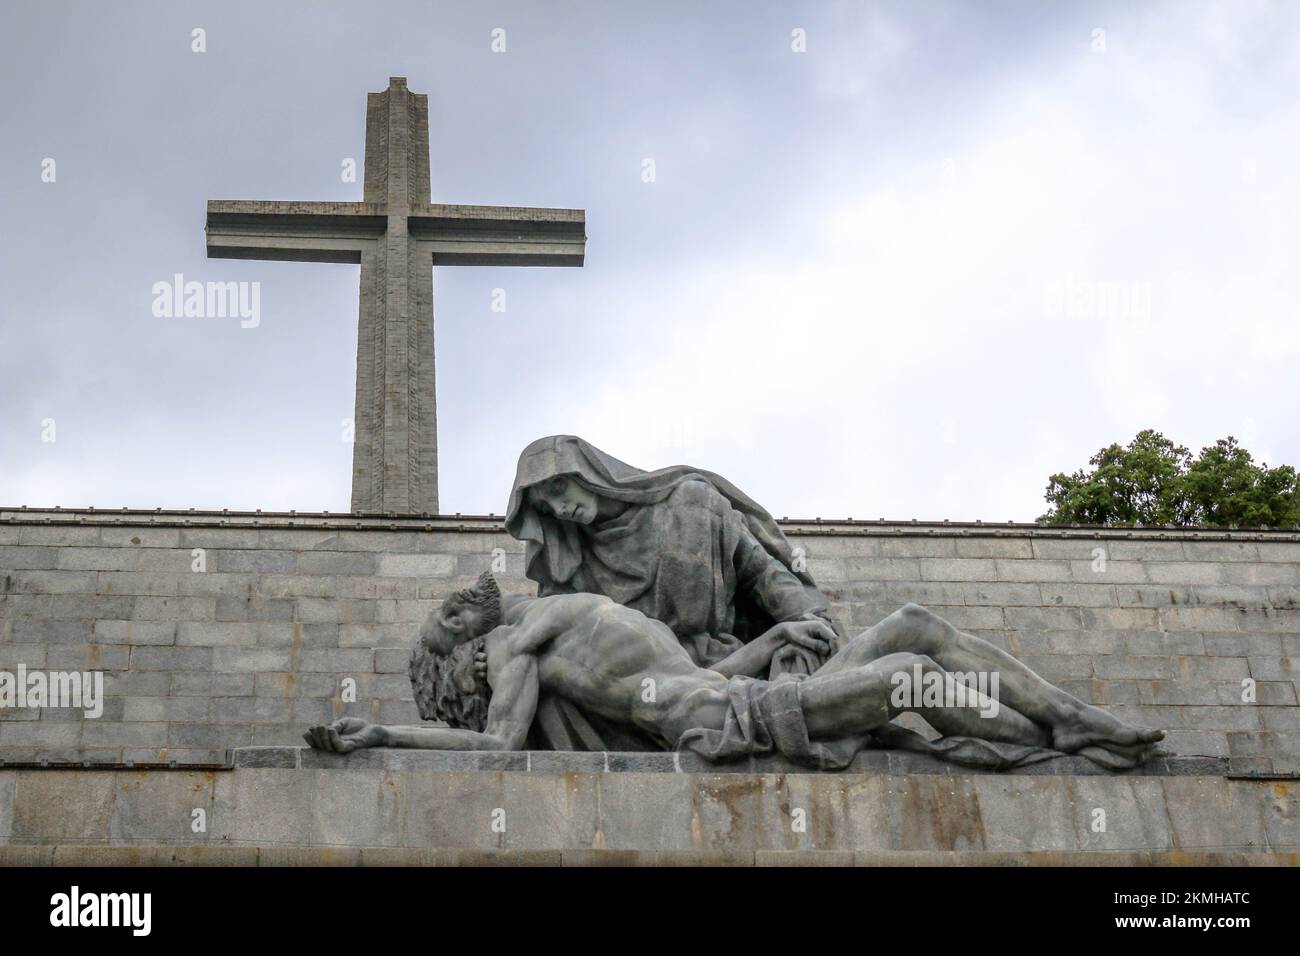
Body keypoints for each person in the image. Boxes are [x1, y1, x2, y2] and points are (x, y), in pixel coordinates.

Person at [306, 573, 1164, 770]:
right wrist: (383, 733)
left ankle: (1068, 721)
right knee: (905, 674)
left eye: (455, 604)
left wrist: (779, 632)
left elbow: (703, 667)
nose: (463, 603)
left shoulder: (555, 610)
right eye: (448, 619)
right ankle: (1044, 746)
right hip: (736, 726)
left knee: (913, 625)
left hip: (747, 692)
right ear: (461, 653)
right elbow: (498, 750)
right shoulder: (513, 653)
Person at [503, 436, 841, 749]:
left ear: (588, 469)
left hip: (719, 663)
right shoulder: (568, 562)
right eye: (547, 508)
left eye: (559, 487)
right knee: (550, 695)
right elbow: (546, 639)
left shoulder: (688, 501)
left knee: (806, 649)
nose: (560, 508)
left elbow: (761, 572)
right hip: (629, 686)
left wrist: (807, 615)